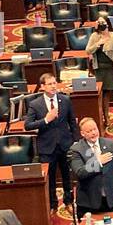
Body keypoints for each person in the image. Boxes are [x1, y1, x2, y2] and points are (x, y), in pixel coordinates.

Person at [24, 72, 79, 211]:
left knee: (68, 175)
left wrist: (76, 141)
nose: (54, 86)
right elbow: (27, 125)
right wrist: (46, 119)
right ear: (42, 86)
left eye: (55, 83)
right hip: (47, 147)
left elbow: (72, 122)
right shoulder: (35, 104)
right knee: (51, 178)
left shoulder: (65, 100)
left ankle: (68, 201)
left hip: (66, 144)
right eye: (50, 84)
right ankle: (53, 204)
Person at [68, 117, 113, 219]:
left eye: (94, 129)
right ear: (82, 134)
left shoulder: (110, 144)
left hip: (110, 199)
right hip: (89, 202)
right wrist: (98, 162)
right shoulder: (76, 150)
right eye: (89, 131)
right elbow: (80, 173)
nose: (93, 133)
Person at [85, 14, 113, 112]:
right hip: (100, 69)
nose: (101, 24)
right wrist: (98, 44)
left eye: (103, 22)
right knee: (104, 92)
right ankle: (106, 117)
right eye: (99, 22)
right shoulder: (94, 36)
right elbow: (88, 51)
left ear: (108, 24)